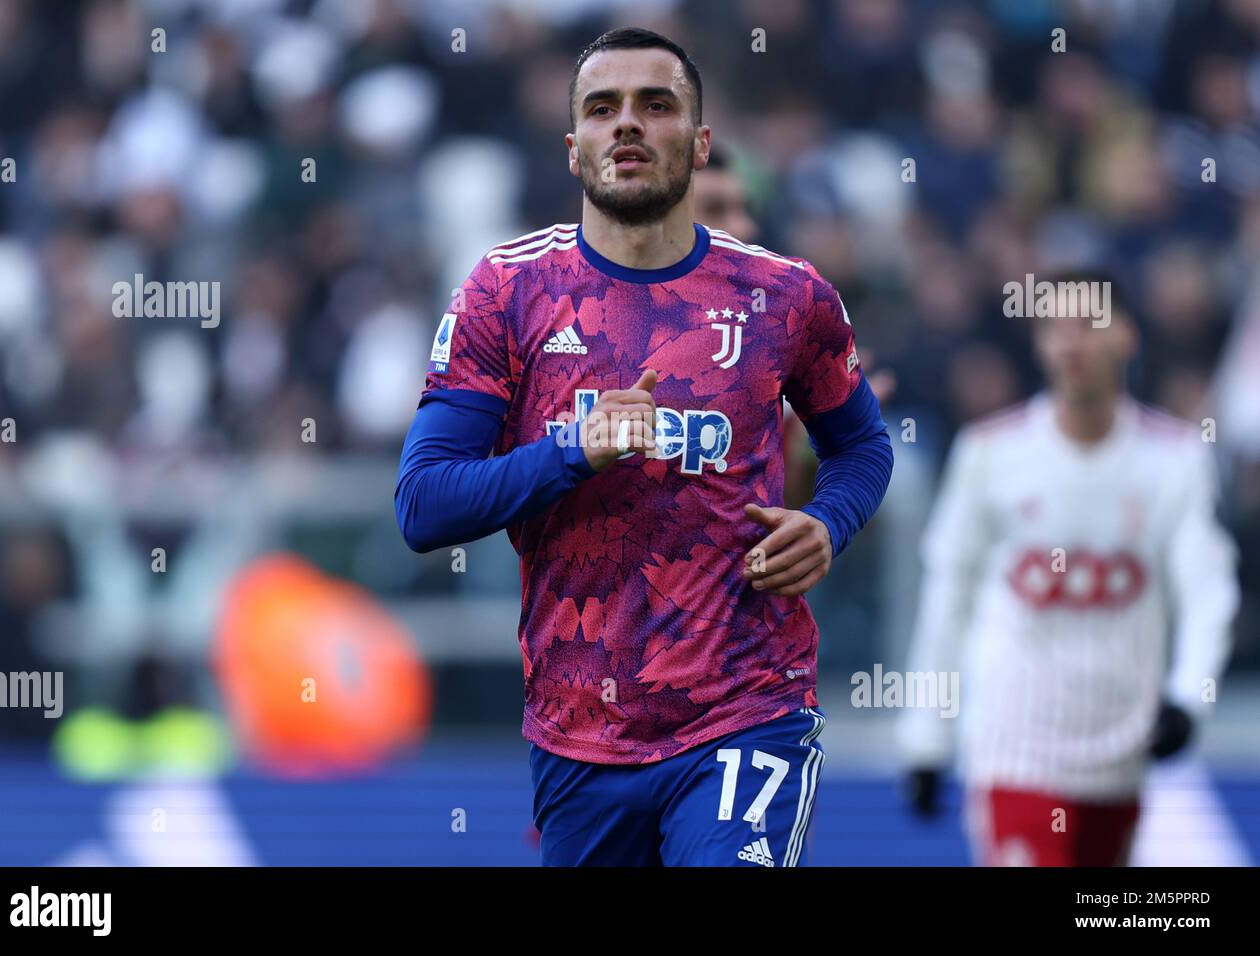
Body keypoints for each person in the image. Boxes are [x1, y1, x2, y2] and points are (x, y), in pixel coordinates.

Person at [396, 27, 893, 866]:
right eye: (603, 108)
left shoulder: (786, 297)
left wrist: (829, 523)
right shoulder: (506, 293)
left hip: (745, 707)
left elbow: (865, 447)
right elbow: (423, 503)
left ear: (699, 144)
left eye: (655, 106)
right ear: (572, 147)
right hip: (579, 732)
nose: (627, 124)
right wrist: (570, 453)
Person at [897, 272, 1238, 866]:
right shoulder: (990, 453)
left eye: (1089, 325)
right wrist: (925, 737)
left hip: (1122, 754)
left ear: (1127, 336)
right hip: (1015, 747)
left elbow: (1208, 588)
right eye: (1058, 327)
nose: (1072, 343)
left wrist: (1188, 697)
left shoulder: (1174, 458)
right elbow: (947, 596)